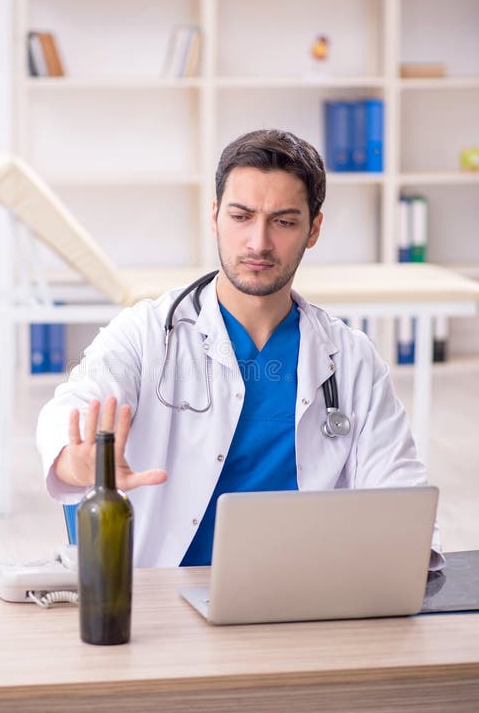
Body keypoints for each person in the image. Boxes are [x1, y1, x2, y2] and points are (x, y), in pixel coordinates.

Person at [37, 129, 444, 571]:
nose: (259, 242)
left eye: (284, 222)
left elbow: (402, 495)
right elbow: (71, 408)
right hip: (166, 593)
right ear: (215, 217)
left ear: (313, 230)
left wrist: (408, 545)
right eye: (241, 216)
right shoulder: (147, 333)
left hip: (307, 594)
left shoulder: (353, 360)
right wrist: (76, 463)